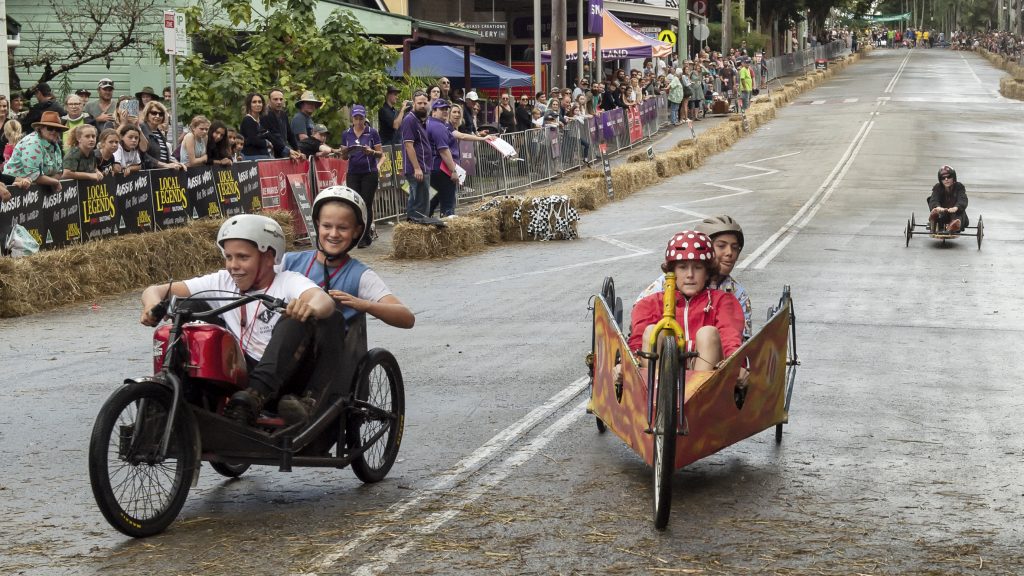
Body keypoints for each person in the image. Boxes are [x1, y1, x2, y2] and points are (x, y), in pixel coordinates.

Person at [140, 214, 343, 426]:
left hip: (282, 379)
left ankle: (255, 396)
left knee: (294, 318)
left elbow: (323, 300)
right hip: (238, 375)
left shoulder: (288, 281)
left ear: (269, 257)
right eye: (228, 257)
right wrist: (152, 304)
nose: (233, 266)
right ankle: (179, 394)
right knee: (188, 306)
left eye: (243, 257)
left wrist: (308, 307)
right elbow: (157, 290)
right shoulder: (223, 281)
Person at [279, 188, 415, 420]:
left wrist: (363, 304)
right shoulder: (289, 262)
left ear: (356, 231)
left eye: (342, 228)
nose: (333, 234)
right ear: (317, 226)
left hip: (326, 363)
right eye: (327, 226)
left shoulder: (360, 275)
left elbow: (406, 318)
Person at [628, 231, 745, 374]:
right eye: (682, 267)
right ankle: (654, 392)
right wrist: (624, 365)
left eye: (697, 267)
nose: (690, 275)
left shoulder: (723, 301)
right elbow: (637, 343)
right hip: (660, 382)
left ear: (707, 272)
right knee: (653, 331)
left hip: (708, 381)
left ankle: (699, 393)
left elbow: (730, 339)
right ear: (672, 272)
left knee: (707, 333)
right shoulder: (650, 303)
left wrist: (738, 366)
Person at [636, 216, 753, 340]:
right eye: (721, 246)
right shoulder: (666, 284)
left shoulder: (738, 294)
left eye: (735, 248)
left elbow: (742, 342)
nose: (730, 253)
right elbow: (639, 319)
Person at [340, 105, 383, 247]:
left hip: (369, 172)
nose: (358, 121)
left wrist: (371, 152)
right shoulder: (346, 134)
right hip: (353, 172)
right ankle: (357, 233)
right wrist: (346, 151)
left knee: (366, 203)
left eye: (361, 118)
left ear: (365, 118)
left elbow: (380, 153)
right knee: (354, 204)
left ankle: (364, 236)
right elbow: (344, 157)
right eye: (356, 118)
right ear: (352, 118)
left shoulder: (372, 132)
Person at [3, 110, 67, 191]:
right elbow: (33, 175)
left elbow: (59, 171)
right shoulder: (32, 142)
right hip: (15, 188)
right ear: (41, 128)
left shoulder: (55, 143)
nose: (54, 131)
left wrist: (52, 181)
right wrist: (54, 182)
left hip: (35, 189)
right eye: (50, 128)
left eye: (57, 129)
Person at [401, 90, 432, 222]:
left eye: (425, 103)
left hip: (424, 166)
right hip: (417, 168)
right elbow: (409, 145)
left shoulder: (421, 120)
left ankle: (413, 228)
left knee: (417, 199)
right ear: (413, 103)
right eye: (419, 103)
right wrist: (417, 168)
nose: (422, 105)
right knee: (421, 202)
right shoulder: (409, 120)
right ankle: (418, 226)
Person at [139, 101, 185, 171]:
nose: (157, 116)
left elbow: (165, 156)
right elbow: (143, 155)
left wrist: (176, 163)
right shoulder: (141, 129)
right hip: (147, 174)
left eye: (161, 114)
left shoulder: (159, 133)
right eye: (154, 113)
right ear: (147, 114)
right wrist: (164, 165)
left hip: (162, 173)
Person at [263, 88, 303, 160]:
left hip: (283, 150)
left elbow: (290, 134)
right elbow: (274, 136)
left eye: (281, 99)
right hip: (271, 153)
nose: (279, 102)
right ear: (269, 101)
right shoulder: (266, 115)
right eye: (275, 99)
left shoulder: (283, 114)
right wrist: (288, 151)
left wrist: (297, 150)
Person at [928, 165, 968, 233]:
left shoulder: (959, 187)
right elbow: (934, 200)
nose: (946, 179)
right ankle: (933, 221)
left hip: (957, 215)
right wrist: (937, 207)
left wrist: (956, 207)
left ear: (953, 178)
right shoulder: (938, 187)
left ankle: (953, 226)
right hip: (943, 215)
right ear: (940, 180)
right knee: (935, 210)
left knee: (958, 217)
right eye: (943, 178)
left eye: (949, 177)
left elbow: (963, 199)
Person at [240, 92, 273, 160]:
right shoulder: (248, 120)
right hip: (251, 157)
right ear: (249, 105)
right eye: (254, 102)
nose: (257, 104)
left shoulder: (262, 120)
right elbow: (253, 140)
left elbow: (270, 136)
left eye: (260, 102)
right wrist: (267, 143)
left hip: (263, 155)